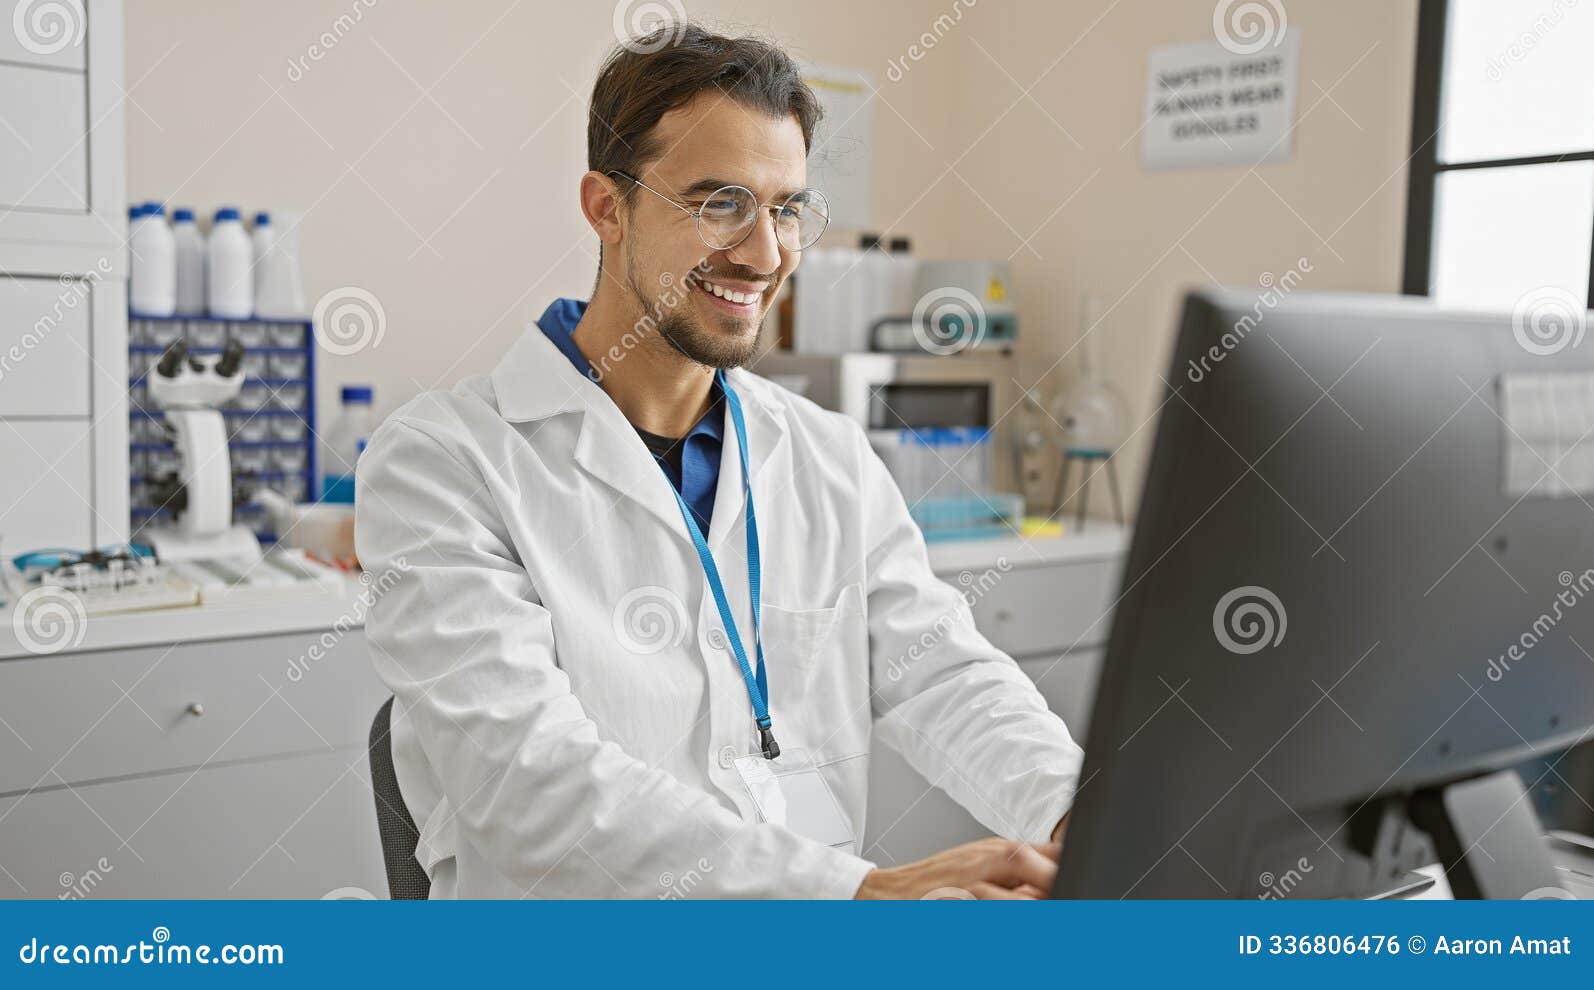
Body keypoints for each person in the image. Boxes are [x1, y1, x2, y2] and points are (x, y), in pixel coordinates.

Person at [355, 22, 1082, 899]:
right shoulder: (442, 462)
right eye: (721, 204)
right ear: (607, 208)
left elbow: (945, 675)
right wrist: (861, 896)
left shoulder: (826, 456)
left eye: (786, 209)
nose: (766, 254)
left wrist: (1081, 820)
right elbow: (528, 785)